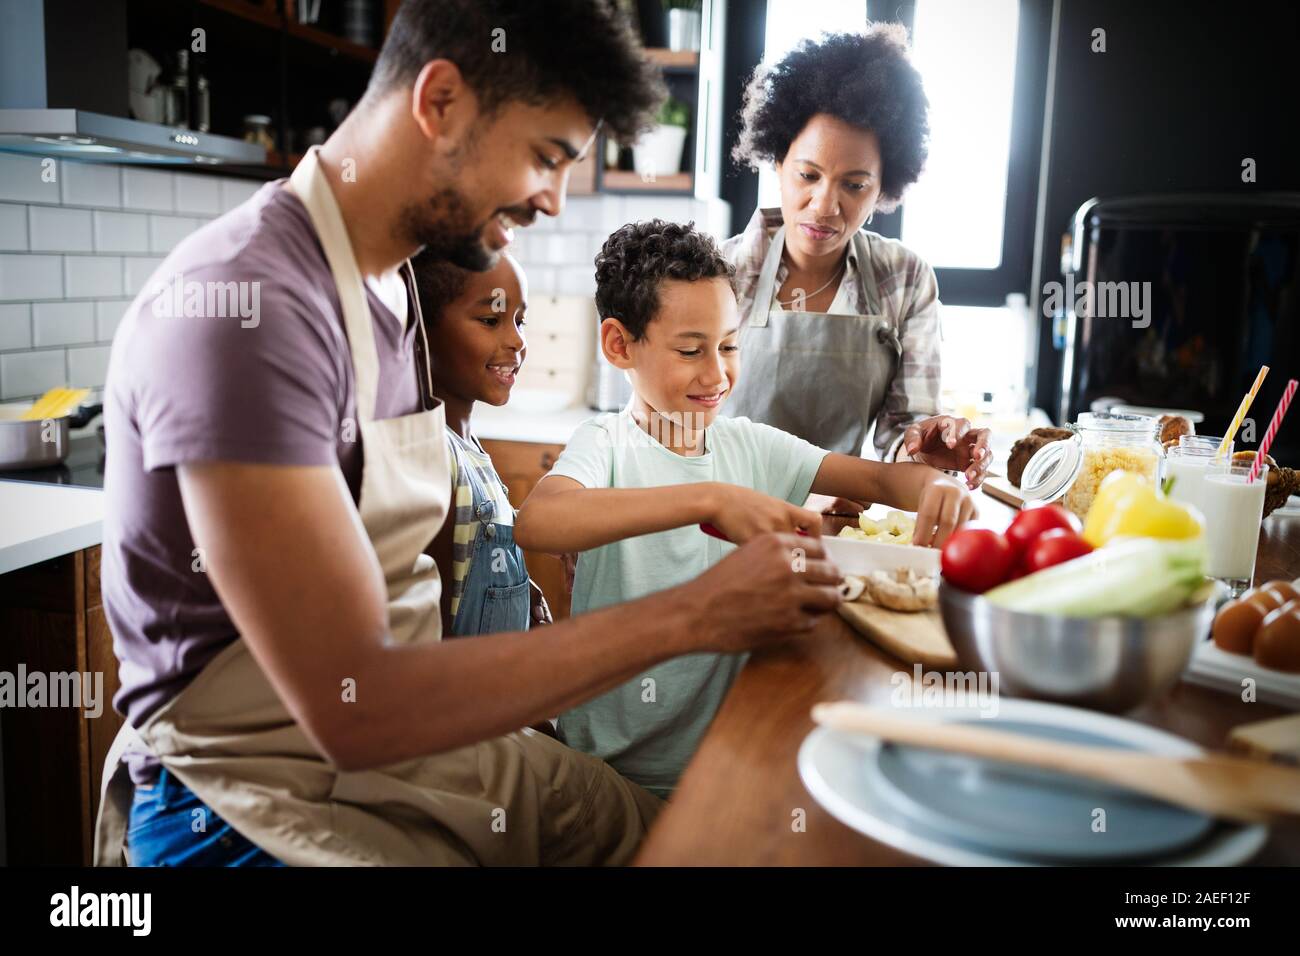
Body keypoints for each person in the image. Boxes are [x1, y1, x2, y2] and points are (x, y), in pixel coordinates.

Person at [96, 0, 844, 867]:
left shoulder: (389, 294)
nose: (552, 198)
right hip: (251, 797)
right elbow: (353, 704)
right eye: (545, 156)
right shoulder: (250, 308)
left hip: (408, 752)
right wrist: (699, 613)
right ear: (441, 101)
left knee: (691, 838)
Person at [514, 219, 974, 796]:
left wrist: (937, 485)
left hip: (719, 766)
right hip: (609, 776)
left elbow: (885, 480)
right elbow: (538, 521)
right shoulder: (605, 444)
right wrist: (711, 498)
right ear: (618, 344)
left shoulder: (750, 445)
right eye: (690, 350)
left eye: (729, 346)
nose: (717, 373)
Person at [720, 25, 992, 506]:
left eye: (855, 185)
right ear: (777, 161)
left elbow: (901, 437)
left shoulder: (905, 280)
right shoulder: (716, 273)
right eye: (808, 175)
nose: (825, 205)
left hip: (838, 523)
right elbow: (664, 425)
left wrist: (929, 447)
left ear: (885, 186)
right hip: (715, 523)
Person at [413, 250, 551, 637]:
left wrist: (518, 591)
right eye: (491, 320)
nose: (516, 340)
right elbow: (430, 629)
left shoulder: (466, 444)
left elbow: (470, 556)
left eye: (520, 321)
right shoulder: (434, 455)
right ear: (421, 329)